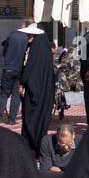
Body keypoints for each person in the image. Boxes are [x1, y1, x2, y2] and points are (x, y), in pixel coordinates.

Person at [19, 27, 55, 160]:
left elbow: (31, 74)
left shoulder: (37, 53)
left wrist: (23, 82)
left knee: (32, 121)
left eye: (31, 36)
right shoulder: (43, 52)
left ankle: (33, 147)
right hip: (43, 95)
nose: (29, 38)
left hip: (35, 95)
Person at [0, 20, 32, 123]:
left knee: (4, 94)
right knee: (16, 94)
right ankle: (12, 119)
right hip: (20, 69)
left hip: (8, 67)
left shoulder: (12, 35)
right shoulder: (28, 38)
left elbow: (4, 50)